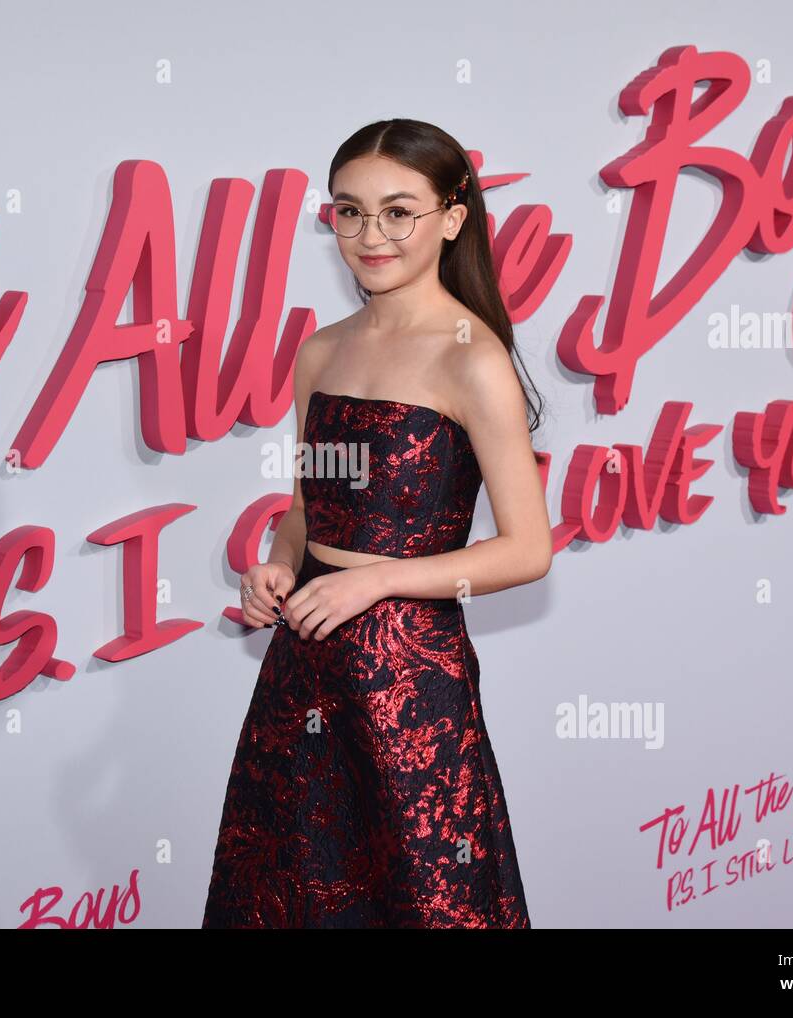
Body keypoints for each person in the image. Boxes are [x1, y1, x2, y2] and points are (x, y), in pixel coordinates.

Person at [202, 119, 554, 928]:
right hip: (306, 661)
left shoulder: (473, 358)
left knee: (422, 896)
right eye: (349, 212)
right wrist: (278, 566)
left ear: (452, 217)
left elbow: (528, 550)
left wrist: (379, 581)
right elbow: (303, 510)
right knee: (289, 888)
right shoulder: (322, 351)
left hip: (409, 678)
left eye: (400, 212)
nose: (371, 235)